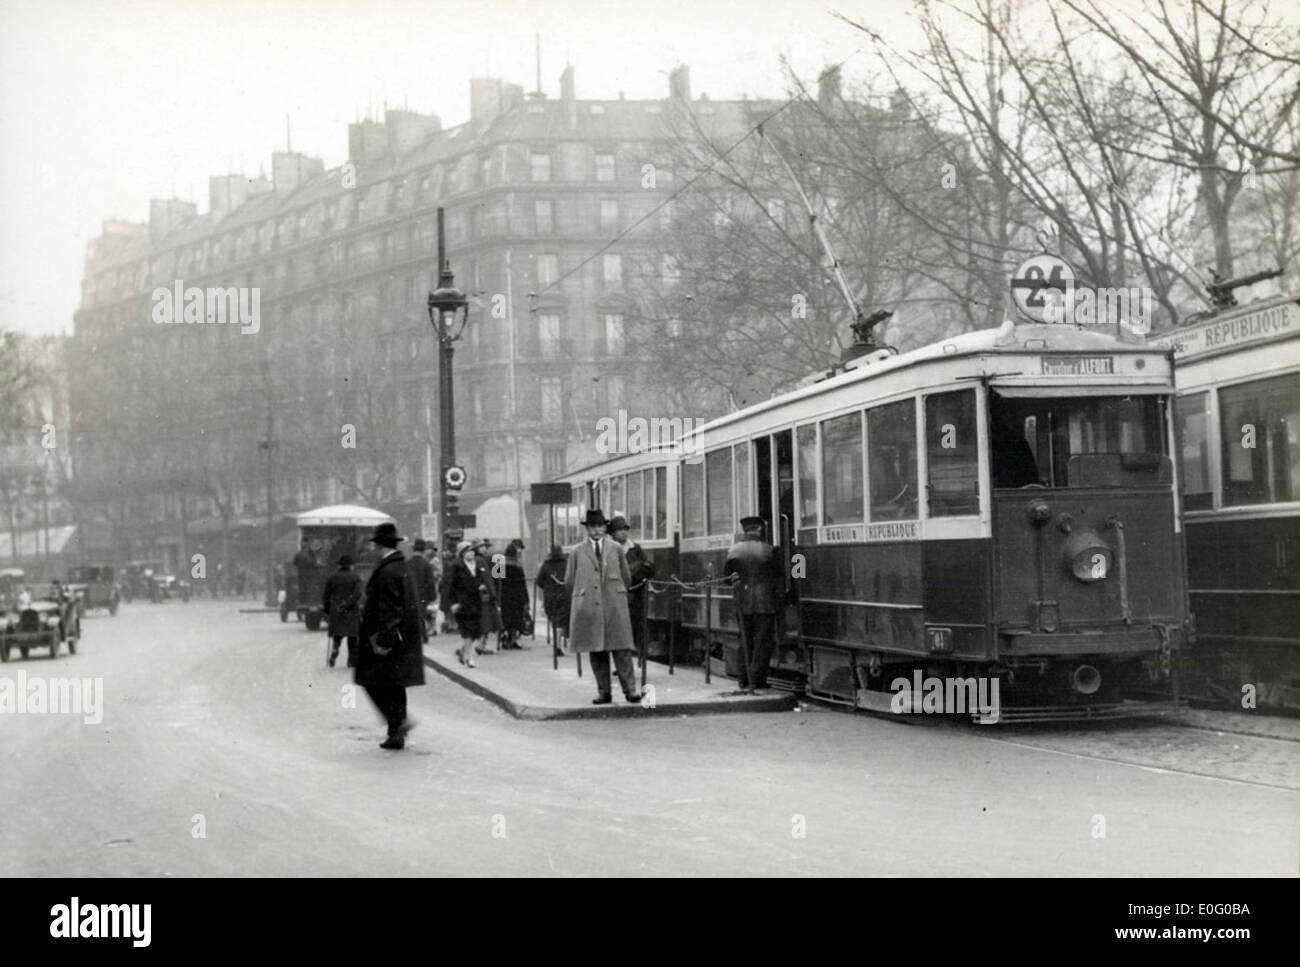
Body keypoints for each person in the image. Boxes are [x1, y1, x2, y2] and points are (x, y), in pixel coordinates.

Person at [355, 522, 426, 751]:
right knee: (394, 684)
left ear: (378, 545)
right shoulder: (401, 566)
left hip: (387, 637)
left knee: (369, 679)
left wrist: (385, 640)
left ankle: (398, 724)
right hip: (403, 635)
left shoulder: (387, 570)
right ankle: (396, 733)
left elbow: (390, 608)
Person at [565, 509, 641, 705]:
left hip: (614, 606)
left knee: (622, 649)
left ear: (605, 528)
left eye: (600, 526)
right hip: (590, 607)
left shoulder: (615, 549)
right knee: (597, 651)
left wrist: (615, 592)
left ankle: (631, 691)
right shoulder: (577, 552)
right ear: (587, 529)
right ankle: (604, 692)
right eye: (592, 527)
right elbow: (569, 580)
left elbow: (626, 577)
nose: (596, 530)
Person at [723, 516, 783, 692]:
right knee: (763, 642)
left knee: (745, 640)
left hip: (742, 603)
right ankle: (758, 680)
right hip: (765, 603)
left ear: (745, 530)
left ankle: (744, 679)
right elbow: (780, 575)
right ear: (759, 529)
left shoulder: (733, 551)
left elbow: (727, 579)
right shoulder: (769, 550)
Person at [606, 515, 655, 655]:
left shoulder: (635, 548)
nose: (623, 532)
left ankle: (633, 658)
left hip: (635, 595)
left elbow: (646, 567)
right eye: (620, 530)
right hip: (616, 594)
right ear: (613, 533)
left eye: (625, 529)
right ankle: (621, 662)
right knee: (618, 629)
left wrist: (637, 569)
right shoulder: (608, 548)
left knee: (635, 626)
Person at [446, 540, 486, 667]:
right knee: (468, 631)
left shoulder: (478, 565)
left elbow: (483, 579)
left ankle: (463, 652)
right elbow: (451, 586)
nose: (472, 553)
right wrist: (453, 603)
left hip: (476, 602)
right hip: (463, 603)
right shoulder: (457, 566)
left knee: (476, 631)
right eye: (468, 551)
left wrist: (482, 586)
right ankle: (469, 657)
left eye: (473, 551)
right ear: (462, 553)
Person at [322, 554, 363, 668]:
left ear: (340, 565)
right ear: (351, 565)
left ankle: (335, 650)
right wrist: (348, 603)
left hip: (336, 608)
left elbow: (325, 596)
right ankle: (352, 660)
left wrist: (328, 610)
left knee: (337, 634)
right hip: (351, 609)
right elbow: (358, 594)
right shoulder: (356, 577)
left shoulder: (332, 577)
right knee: (352, 636)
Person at [536, 544, 571, 657]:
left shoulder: (546, 565)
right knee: (561, 621)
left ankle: (557, 643)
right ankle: (558, 645)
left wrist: (547, 588)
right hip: (564, 595)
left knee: (554, 620)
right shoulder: (566, 564)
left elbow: (539, 580)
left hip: (550, 597)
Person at [499, 544, 530, 649]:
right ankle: (513, 640)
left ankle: (504, 637)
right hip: (516, 597)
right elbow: (522, 584)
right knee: (515, 619)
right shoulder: (518, 566)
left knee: (504, 618)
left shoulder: (499, 564)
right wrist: (526, 600)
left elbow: (496, 581)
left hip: (503, 596)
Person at [408, 538, 437, 634]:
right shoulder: (426, 564)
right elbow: (430, 582)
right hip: (423, 594)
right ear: (423, 550)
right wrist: (432, 597)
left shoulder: (408, 563)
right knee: (422, 614)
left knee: (413, 614)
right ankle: (423, 633)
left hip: (410, 593)